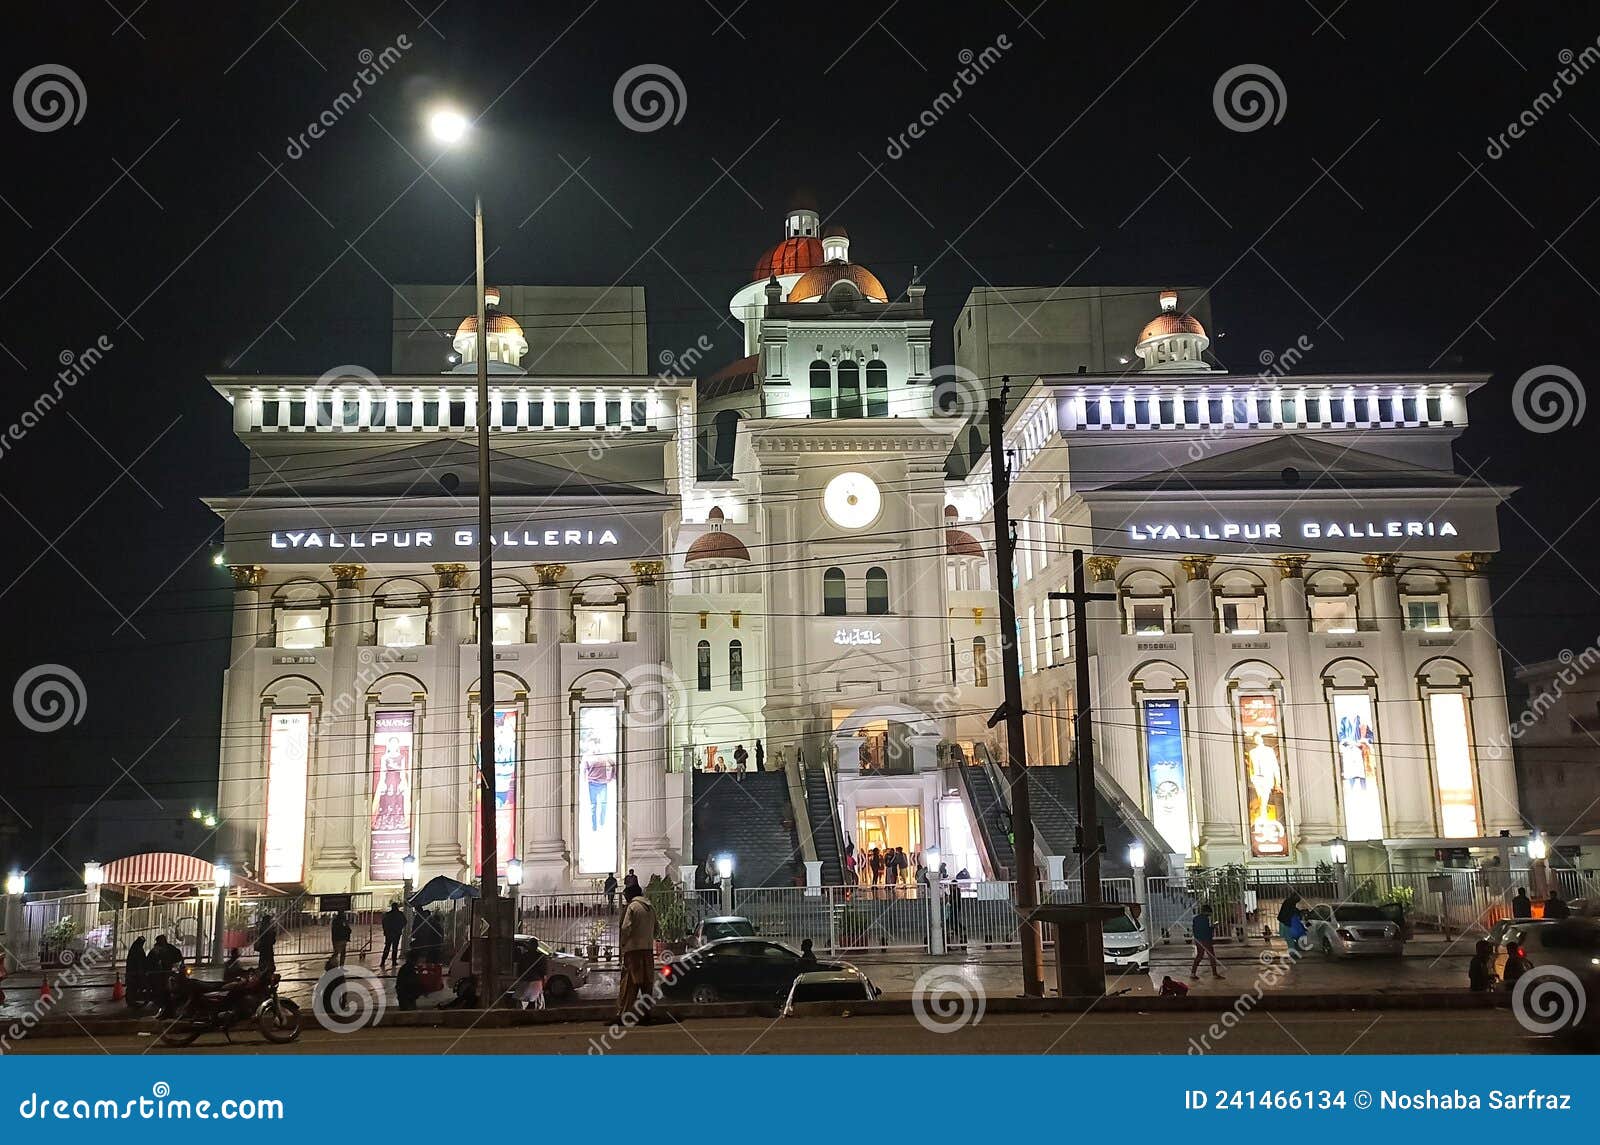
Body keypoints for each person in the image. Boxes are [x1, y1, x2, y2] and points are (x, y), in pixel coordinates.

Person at [617, 885, 658, 1023]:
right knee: (647, 984)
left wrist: (623, 944)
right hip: (648, 951)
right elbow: (657, 929)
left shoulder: (632, 907)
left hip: (633, 951)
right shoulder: (650, 908)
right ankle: (646, 1014)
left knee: (629, 984)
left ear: (630, 895)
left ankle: (624, 1015)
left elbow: (625, 927)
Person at [1190, 904, 1225, 980]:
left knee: (1199, 956)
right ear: (1207, 912)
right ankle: (1215, 974)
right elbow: (1207, 930)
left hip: (1198, 940)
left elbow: (1194, 929)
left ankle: (1193, 973)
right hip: (1205, 940)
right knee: (1212, 956)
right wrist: (1213, 926)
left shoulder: (1195, 918)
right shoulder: (1205, 919)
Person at [123, 937, 149, 1005]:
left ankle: (131, 1000)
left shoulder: (136, 948)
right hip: (134, 971)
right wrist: (140, 970)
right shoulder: (137, 949)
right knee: (132, 986)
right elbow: (138, 961)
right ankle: (131, 1001)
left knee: (133, 986)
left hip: (134, 970)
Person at [380, 903, 405, 969]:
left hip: (389, 934)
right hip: (397, 933)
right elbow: (405, 922)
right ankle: (394, 962)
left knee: (387, 947)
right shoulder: (400, 914)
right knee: (395, 948)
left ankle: (383, 961)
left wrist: (385, 931)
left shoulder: (388, 914)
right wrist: (399, 928)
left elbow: (384, 923)